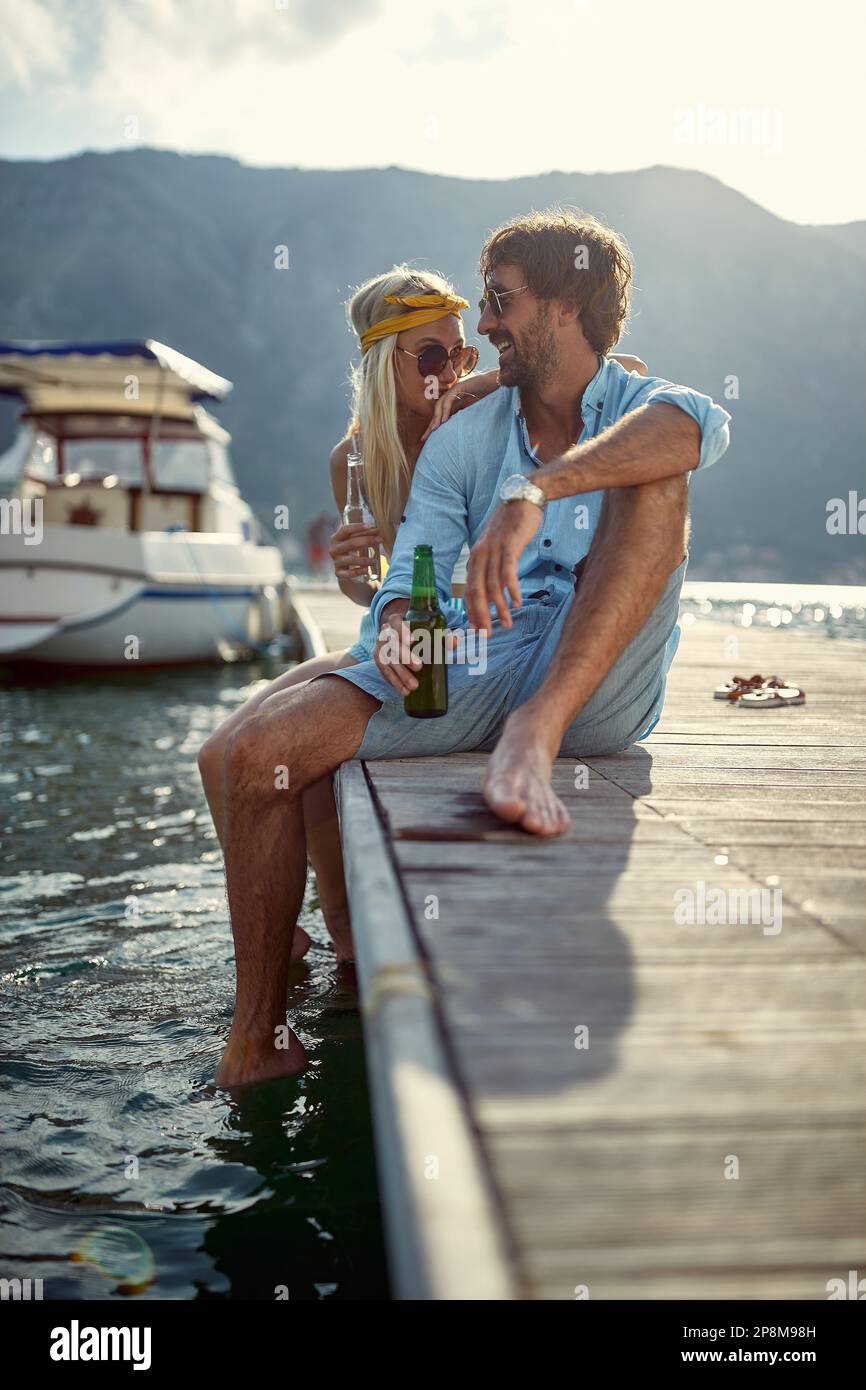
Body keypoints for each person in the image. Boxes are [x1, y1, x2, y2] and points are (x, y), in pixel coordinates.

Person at [212, 206, 730, 1086]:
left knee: (656, 478)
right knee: (254, 751)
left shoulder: (636, 404)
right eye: (480, 308)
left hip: (599, 682)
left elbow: (692, 428)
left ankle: (535, 732)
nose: (483, 329)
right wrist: (398, 624)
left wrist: (538, 488)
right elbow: (418, 562)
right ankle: (255, 1039)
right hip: (481, 651)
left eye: (498, 302)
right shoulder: (458, 441)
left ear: (565, 304)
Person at [198, 263, 646, 964]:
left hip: (467, 642)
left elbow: (628, 368)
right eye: (433, 355)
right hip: (394, 638)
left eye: (461, 350)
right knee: (214, 755)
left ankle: (344, 933)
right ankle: (277, 930)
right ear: (384, 361)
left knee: (297, 757)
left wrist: (481, 380)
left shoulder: (477, 413)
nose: (450, 367)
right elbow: (382, 593)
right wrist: (354, 578)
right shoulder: (354, 459)